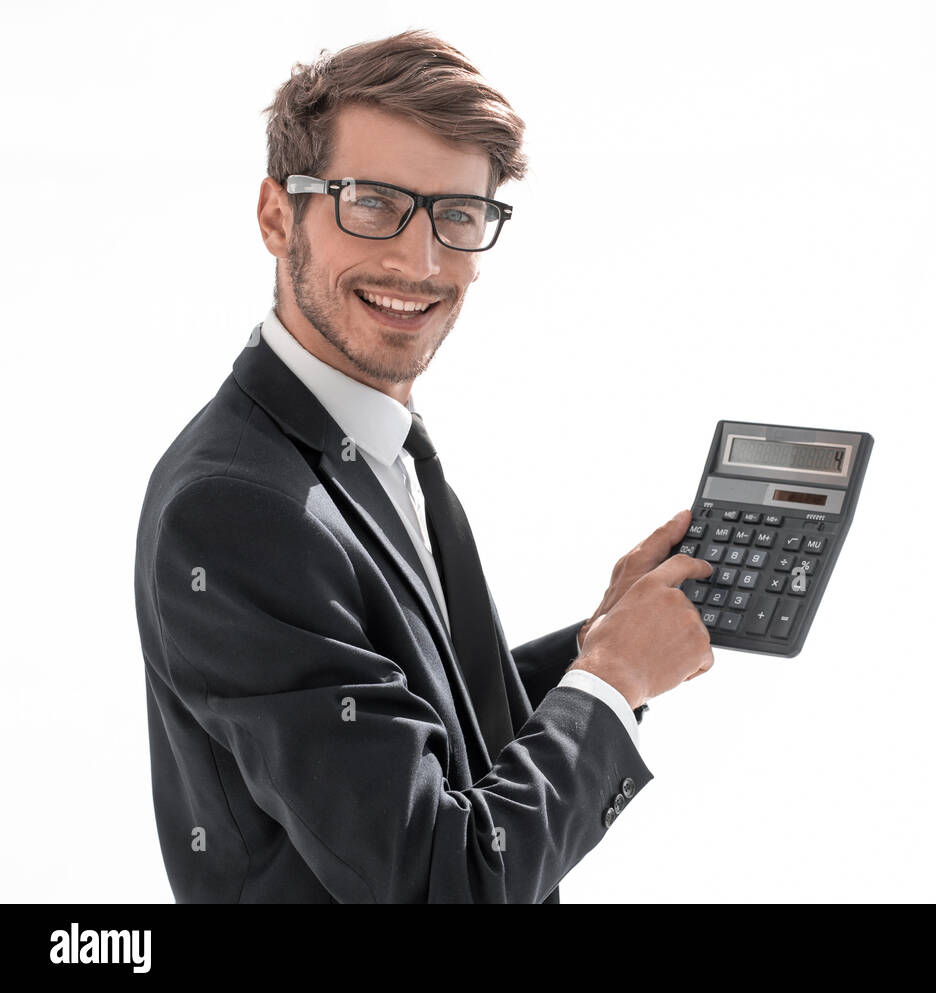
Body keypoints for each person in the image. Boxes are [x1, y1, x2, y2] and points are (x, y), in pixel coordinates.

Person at [133, 29, 715, 904]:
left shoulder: (376, 448)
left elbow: (433, 731)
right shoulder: (236, 509)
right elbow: (440, 877)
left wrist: (606, 635)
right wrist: (614, 679)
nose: (420, 259)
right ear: (276, 215)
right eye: (371, 202)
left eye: (457, 213)